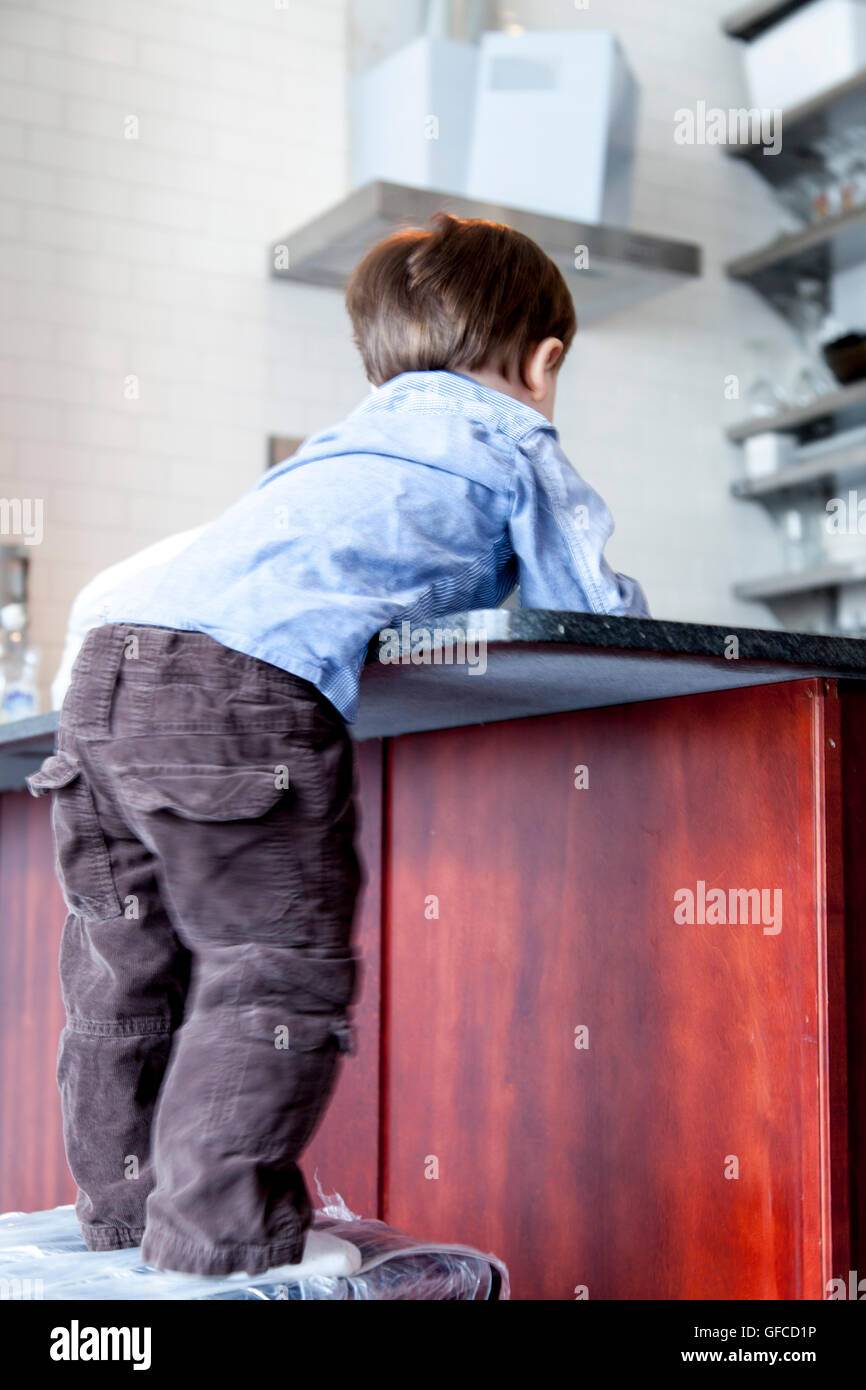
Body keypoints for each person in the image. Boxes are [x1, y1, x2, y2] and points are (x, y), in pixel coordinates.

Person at [27, 212, 649, 1282]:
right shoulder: (511, 438)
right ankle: (217, 1249)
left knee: (124, 976)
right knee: (271, 975)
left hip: (100, 686)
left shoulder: (339, 445)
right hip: (237, 697)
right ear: (544, 362)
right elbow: (589, 612)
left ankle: (120, 1220)